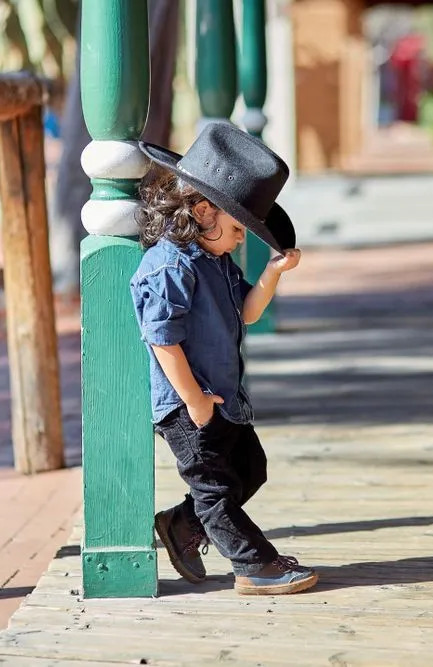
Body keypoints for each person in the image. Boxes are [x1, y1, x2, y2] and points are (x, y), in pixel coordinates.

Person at [131, 122, 317, 595]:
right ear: (201, 209)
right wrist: (192, 400)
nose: (240, 239)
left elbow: (248, 312)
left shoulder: (214, 259)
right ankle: (255, 566)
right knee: (214, 488)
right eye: (238, 229)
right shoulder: (171, 264)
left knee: (250, 469)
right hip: (187, 404)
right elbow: (161, 339)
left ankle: (180, 525)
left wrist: (274, 273)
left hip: (222, 397)